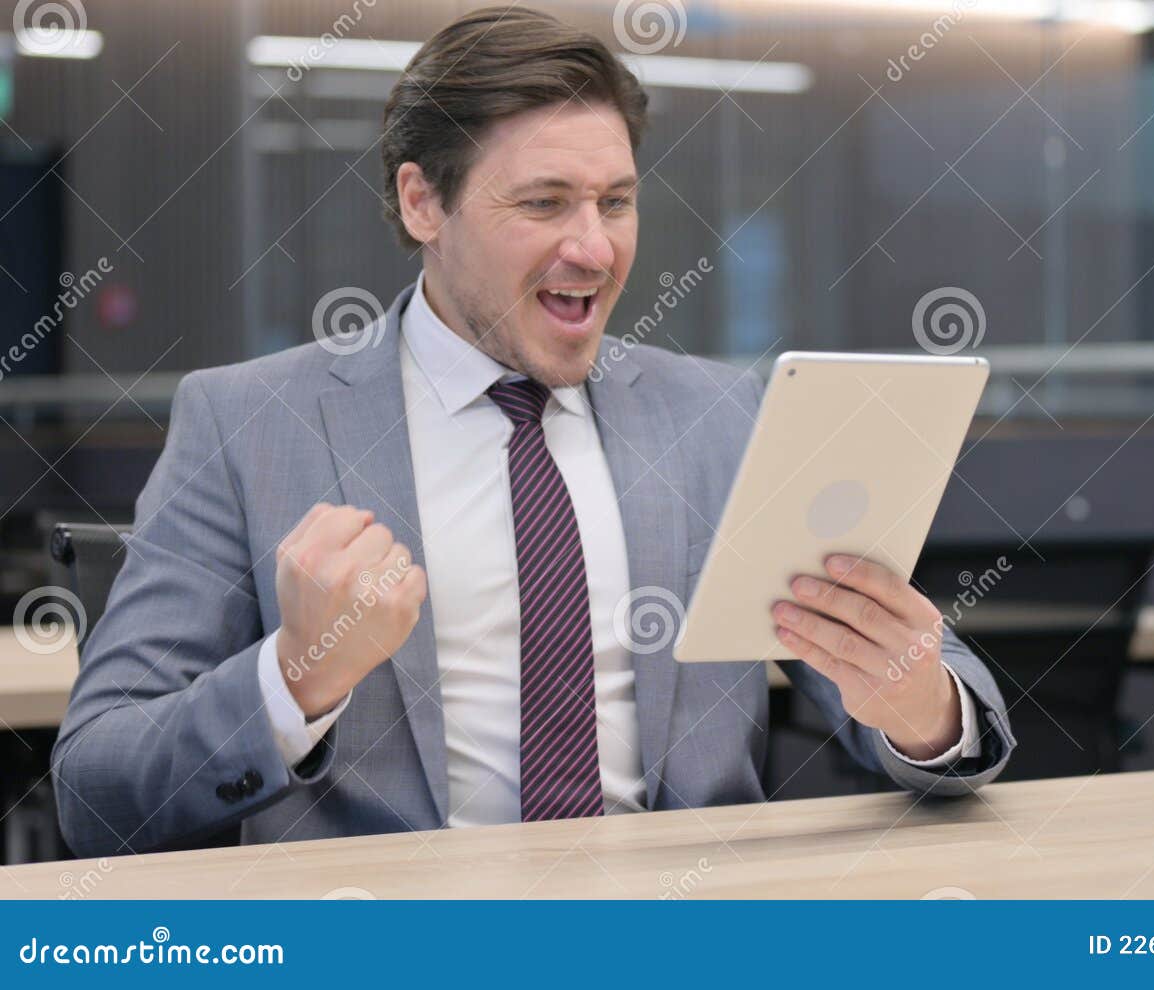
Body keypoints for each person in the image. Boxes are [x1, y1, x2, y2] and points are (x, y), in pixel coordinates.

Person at [53, 6, 1014, 857]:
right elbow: (96, 794)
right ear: (422, 201)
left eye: (616, 202)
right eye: (544, 202)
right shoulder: (248, 424)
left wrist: (918, 710)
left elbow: (952, 714)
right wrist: (295, 678)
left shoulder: (719, 416)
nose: (594, 247)